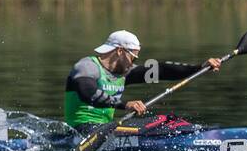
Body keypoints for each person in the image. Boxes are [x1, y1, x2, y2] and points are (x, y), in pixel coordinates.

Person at [65, 30, 221, 130]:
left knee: (165, 121)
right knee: (158, 124)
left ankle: (199, 132)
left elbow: (161, 70)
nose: (134, 62)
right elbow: (87, 92)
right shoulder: (87, 66)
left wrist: (199, 67)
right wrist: (125, 105)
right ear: (119, 50)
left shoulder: (123, 73)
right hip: (82, 129)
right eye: (133, 56)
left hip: (105, 128)